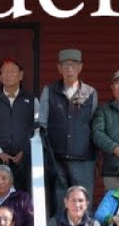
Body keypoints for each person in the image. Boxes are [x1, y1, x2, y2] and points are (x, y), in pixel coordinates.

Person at [38, 48, 99, 206]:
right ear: (59, 68)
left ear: (80, 67)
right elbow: (42, 123)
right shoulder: (49, 91)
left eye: (73, 64)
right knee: (59, 204)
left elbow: (94, 126)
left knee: (83, 204)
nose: (69, 69)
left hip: (84, 159)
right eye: (65, 65)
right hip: (56, 159)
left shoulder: (91, 93)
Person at [0, 58, 36, 192]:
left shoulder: (32, 100)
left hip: (22, 160)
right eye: (4, 72)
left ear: (21, 75)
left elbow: (37, 129)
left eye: (12, 71)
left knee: (22, 197)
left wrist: (25, 151)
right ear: (0, 77)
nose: (8, 75)